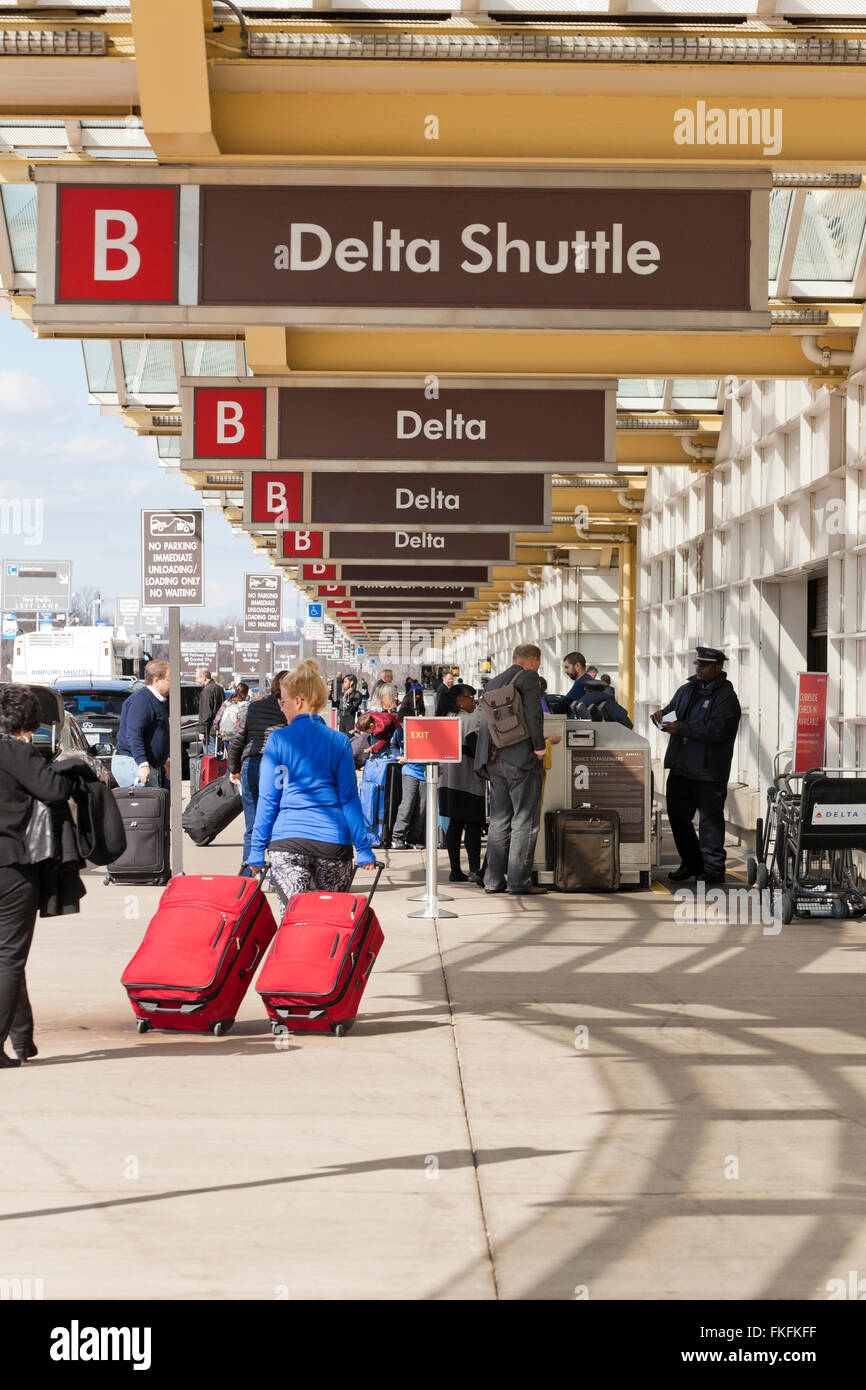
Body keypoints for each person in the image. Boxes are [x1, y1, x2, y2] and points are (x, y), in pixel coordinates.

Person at [246, 661, 376, 911]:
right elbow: (349, 798)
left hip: (288, 843)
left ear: (298, 701)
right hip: (333, 844)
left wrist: (256, 849)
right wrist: (363, 848)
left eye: (282, 701)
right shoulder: (339, 741)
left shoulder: (279, 740)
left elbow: (269, 799)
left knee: (294, 921)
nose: (281, 708)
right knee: (327, 921)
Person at [0, 685, 76, 1067]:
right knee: (10, 957)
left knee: (6, 959)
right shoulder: (17, 752)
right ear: (29, 721)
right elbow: (53, 790)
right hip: (11, 868)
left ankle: (23, 1039)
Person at [652, 646, 742, 885]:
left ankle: (713, 869)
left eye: (704, 665)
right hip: (681, 766)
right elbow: (673, 713)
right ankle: (691, 863)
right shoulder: (687, 689)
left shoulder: (726, 698)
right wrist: (661, 717)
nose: (698, 668)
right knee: (677, 817)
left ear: (718, 668)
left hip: (709, 771)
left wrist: (681, 727)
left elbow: (718, 729)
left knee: (710, 821)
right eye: (697, 664)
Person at [475, 643, 548, 896]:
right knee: (525, 820)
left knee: (499, 819)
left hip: (494, 759)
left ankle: (493, 881)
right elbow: (533, 714)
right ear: (533, 660)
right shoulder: (528, 677)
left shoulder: (494, 680)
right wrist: (539, 747)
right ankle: (518, 882)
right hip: (520, 758)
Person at [228, 670, 288, 876]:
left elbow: (238, 739)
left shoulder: (255, 706)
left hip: (251, 764)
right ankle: (276, 876)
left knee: (252, 823)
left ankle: (247, 877)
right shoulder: (290, 710)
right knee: (277, 821)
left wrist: (234, 768)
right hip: (278, 768)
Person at [438, 683, 485, 883]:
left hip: (447, 780)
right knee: (473, 824)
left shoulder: (445, 719)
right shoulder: (469, 720)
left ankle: (455, 870)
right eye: (470, 697)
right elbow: (476, 749)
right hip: (468, 780)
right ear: (459, 700)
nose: (473, 701)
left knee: (455, 824)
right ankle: (474, 869)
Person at [112, 659, 171, 787]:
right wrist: (142, 764)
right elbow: (134, 734)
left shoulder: (154, 700)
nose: (173, 684)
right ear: (156, 681)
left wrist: (165, 761)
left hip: (141, 763)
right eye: (169, 680)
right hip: (133, 763)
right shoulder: (142, 701)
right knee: (146, 805)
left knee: (154, 804)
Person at [196, 667, 225, 755]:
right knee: (219, 759)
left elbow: (206, 713)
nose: (196, 680)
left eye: (197, 678)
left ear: (204, 677)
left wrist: (202, 731)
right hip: (219, 729)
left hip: (210, 731)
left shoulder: (207, 690)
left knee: (211, 760)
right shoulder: (219, 688)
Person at [368, 685, 399, 754]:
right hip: (380, 758)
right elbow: (384, 738)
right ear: (383, 698)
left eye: (396, 695)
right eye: (392, 696)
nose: (396, 698)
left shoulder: (393, 714)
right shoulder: (376, 715)